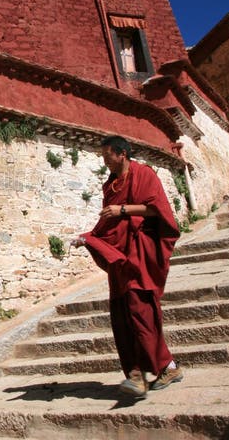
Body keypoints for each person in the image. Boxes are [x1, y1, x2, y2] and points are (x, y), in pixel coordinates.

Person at [72, 135, 183, 400]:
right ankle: (139, 373)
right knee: (122, 315)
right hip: (120, 259)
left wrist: (123, 210)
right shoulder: (110, 186)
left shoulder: (144, 174)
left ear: (122, 154)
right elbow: (108, 226)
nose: (104, 160)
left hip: (139, 252)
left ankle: (163, 367)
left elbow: (159, 211)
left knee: (140, 311)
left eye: (107, 156)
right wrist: (89, 238)